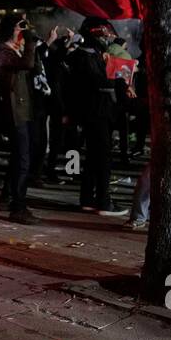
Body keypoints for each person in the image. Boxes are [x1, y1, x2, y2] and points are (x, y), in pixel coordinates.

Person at [69, 17, 127, 215]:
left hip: (96, 110)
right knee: (102, 157)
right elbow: (99, 82)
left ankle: (88, 198)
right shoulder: (86, 55)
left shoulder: (93, 54)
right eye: (103, 32)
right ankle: (103, 201)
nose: (107, 36)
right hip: (95, 111)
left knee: (94, 157)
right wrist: (118, 77)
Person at [0, 13, 39, 224]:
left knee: (19, 156)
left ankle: (7, 196)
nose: (25, 28)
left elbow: (33, 66)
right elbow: (27, 64)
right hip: (13, 111)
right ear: (12, 28)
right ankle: (18, 205)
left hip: (22, 108)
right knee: (22, 158)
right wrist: (30, 40)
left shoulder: (14, 50)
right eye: (21, 25)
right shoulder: (1, 51)